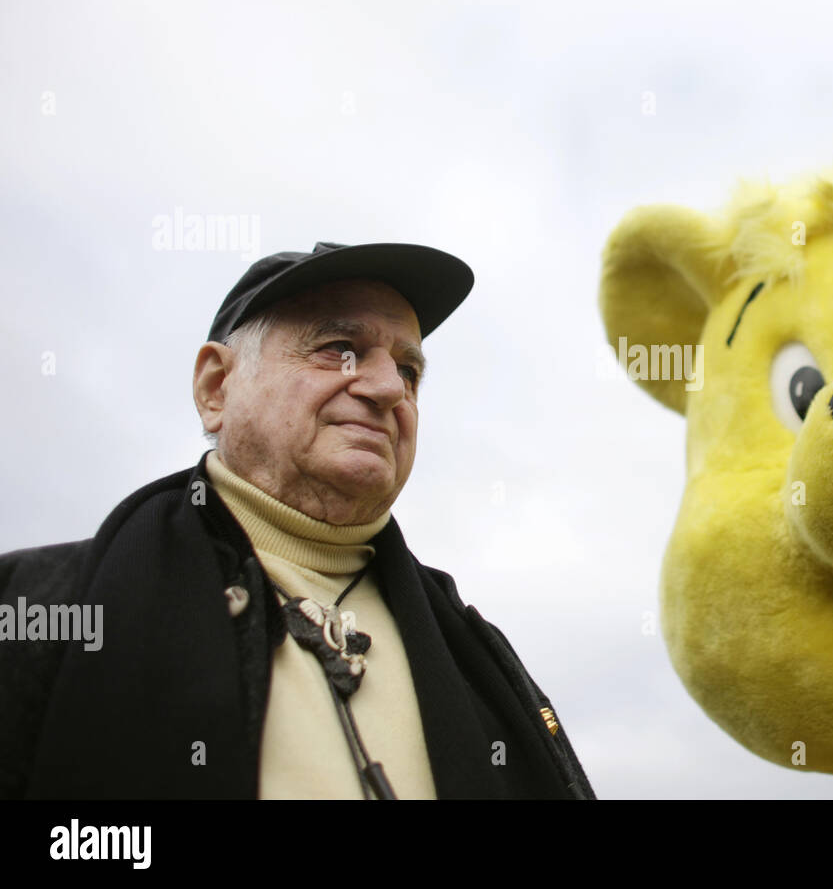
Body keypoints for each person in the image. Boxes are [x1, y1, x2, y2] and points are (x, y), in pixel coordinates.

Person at [0, 241, 594, 799]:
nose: (390, 388)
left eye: (410, 371)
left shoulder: (480, 656)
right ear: (216, 386)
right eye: (340, 349)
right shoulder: (34, 610)